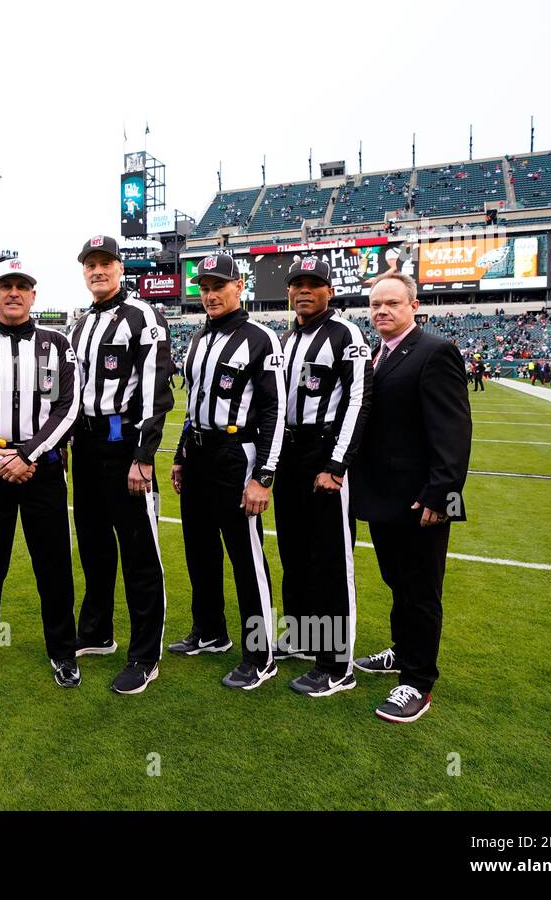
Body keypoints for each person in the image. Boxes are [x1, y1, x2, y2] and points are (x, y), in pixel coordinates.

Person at [0, 258, 81, 687]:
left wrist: (27, 454)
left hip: (42, 469)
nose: (13, 293)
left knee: (54, 566)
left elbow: (68, 408)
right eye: (6, 286)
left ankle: (63, 652)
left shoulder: (57, 344)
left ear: (33, 295)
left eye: (22, 286)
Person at [351, 273, 471, 723]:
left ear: (414, 306)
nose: (382, 311)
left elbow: (453, 431)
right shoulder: (377, 353)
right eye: (375, 304)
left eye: (392, 303)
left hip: (421, 500)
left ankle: (418, 682)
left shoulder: (435, 351)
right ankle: (402, 651)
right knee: (397, 582)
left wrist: (442, 495)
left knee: (420, 590)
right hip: (383, 495)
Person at [168, 254, 286, 690]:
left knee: (246, 557)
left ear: (239, 286)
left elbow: (275, 410)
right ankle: (210, 631)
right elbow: (193, 405)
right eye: (204, 287)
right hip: (199, 453)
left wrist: (264, 476)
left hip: (237, 454)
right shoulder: (199, 338)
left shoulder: (261, 338)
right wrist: (181, 454)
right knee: (199, 549)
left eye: (219, 286)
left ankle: (261, 655)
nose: (210, 295)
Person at [68, 235, 173, 695]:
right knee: (93, 544)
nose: (98, 270)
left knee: (139, 553)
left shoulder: (143, 316)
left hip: (124, 443)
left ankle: (145, 655)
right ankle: (97, 631)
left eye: (105, 263)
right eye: (90, 264)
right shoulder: (80, 324)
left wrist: (143, 457)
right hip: (87, 446)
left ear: (120, 268)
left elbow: (155, 392)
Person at [275, 256, 372, 698]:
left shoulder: (346, 334)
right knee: (294, 552)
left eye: (314, 284)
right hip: (290, 454)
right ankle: (301, 636)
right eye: (297, 284)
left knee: (331, 559)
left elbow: (359, 400)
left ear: (329, 291)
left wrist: (336, 465)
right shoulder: (288, 337)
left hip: (323, 450)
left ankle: (336, 665)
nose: (304, 290)